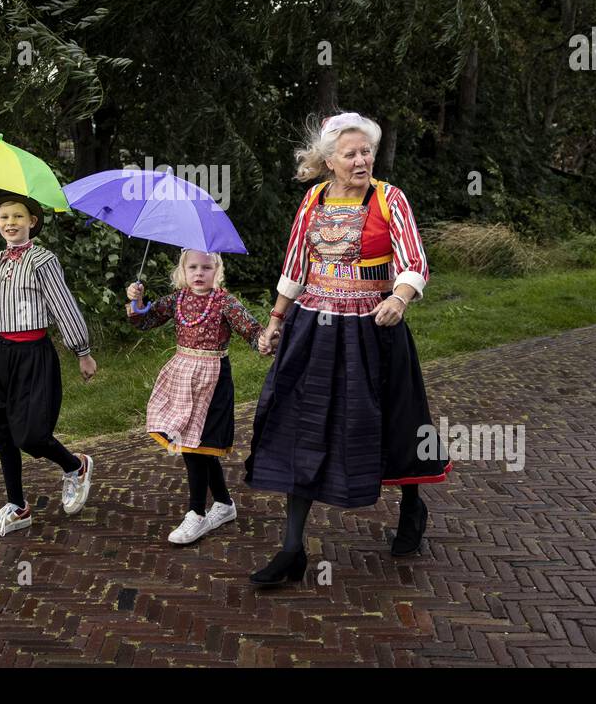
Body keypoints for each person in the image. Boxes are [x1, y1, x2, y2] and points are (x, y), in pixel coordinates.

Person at [244, 111, 451, 585]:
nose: (362, 160)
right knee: (300, 424)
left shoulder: (389, 198)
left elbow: (415, 260)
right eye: (351, 154)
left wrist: (399, 298)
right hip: (313, 330)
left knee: (393, 423)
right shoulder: (312, 199)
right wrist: (275, 320)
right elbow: (295, 265)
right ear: (329, 160)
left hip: (374, 329)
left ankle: (412, 508)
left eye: (367, 152)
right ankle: (292, 550)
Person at [0, 193, 97, 537]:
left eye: (18, 217)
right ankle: (17, 506)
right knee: (1, 431)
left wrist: (82, 351)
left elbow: (63, 305)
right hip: (2, 353)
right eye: (4, 217)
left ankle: (75, 466)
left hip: (34, 353)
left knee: (32, 435)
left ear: (31, 222)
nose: (11, 223)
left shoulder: (43, 260)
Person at [126, 249, 264, 545]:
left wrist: (265, 339)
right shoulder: (177, 299)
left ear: (218, 270)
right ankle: (224, 504)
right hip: (182, 374)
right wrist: (136, 301)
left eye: (206, 267)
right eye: (193, 267)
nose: (199, 273)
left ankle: (196, 513)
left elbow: (251, 331)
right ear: (182, 272)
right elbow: (145, 321)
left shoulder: (226, 302)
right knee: (193, 445)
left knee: (197, 446)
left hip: (213, 378)